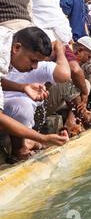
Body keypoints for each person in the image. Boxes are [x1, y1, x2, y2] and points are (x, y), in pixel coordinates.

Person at [0, 27, 69, 161]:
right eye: (33, 60)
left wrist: (22, 87)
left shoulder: (8, 37)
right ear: (17, 48)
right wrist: (43, 138)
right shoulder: (2, 58)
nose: (35, 67)